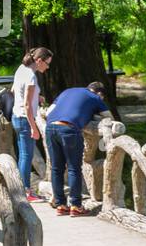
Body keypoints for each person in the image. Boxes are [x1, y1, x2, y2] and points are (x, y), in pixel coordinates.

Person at [45, 81, 108, 216]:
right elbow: (109, 117)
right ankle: (76, 205)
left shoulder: (67, 91)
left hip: (50, 128)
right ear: (99, 93)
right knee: (74, 168)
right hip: (69, 129)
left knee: (56, 168)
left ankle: (60, 204)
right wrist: (93, 114)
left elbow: (49, 111)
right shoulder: (95, 97)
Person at [11, 47, 53, 201]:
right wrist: (34, 128)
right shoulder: (31, 77)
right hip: (25, 119)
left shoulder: (21, 69)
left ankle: (22, 190)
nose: (47, 67)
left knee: (22, 155)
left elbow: (15, 91)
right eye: (47, 64)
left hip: (16, 116)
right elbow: (28, 105)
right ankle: (26, 192)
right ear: (39, 61)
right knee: (26, 156)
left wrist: (37, 96)